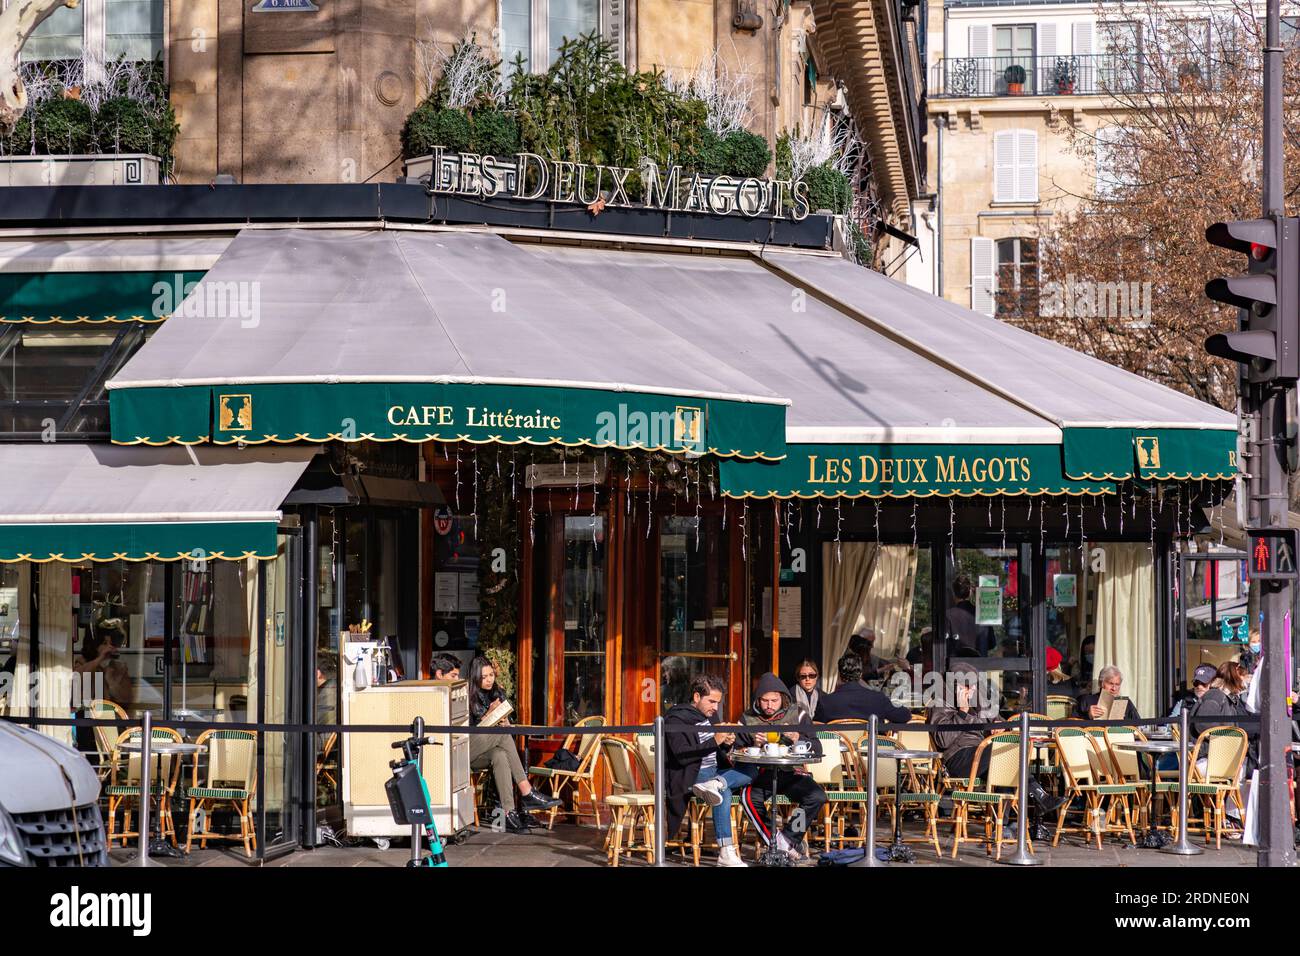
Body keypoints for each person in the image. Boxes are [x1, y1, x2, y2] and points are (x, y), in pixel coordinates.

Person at [439, 654, 560, 834]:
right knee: (501, 735)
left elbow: (507, 728)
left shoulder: (497, 693)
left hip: (484, 752)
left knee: (500, 755)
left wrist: (507, 724)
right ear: (475, 677)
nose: (488, 680)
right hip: (464, 748)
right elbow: (470, 729)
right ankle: (526, 791)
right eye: (484, 677)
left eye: (491, 675)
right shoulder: (466, 694)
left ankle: (509, 814)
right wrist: (490, 713)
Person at [928, 670, 1065, 812]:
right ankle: (1040, 797)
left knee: (1005, 766)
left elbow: (1001, 722)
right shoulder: (940, 705)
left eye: (975, 686)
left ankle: (1004, 825)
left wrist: (1000, 727)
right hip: (958, 759)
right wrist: (962, 712)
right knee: (1003, 754)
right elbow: (943, 740)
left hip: (981, 756)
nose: (973, 690)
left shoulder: (980, 704)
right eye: (969, 687)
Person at [663, 674, 755, 867]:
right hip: (691, 773)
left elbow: (714, 751)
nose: (715, 707)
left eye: (718, 703)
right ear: (696, 697)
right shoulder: (676, 718)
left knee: (752, 769)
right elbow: (681, 754)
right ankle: (726, 852)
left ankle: (716, 783)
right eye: (711, 701)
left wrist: (726, 744)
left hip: (713, 773)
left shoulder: (709, 717)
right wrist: (716, 740)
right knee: (723, 791)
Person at [735, 673, 827, 862]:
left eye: (774, 700)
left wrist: (797, 738)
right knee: (748, 798)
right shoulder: (747, 719)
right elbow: (734, 752)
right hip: (761, 775)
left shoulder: (799, 714)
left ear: (783, 698)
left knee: (817, 796)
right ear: (757, 700)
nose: (769, 705)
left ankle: (788, 837)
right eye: (764, 701)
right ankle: (775, 840)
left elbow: (817, 748)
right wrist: (754, 744)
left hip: (792, 772)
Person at [814, 653, 912, 725]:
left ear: (839, 674)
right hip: (870, 750)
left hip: (839, 751)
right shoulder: (877, 699)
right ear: (860, 674)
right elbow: (905, 715)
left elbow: (816, 727)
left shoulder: (826, 702)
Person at [1074, 665, 1141, 721]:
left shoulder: (1126, 703)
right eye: (1111, 683)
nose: (1114, 688)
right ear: (1100, 683)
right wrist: (1088, 715)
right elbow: (1072, 725)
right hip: (1094, 736)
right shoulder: (1086, 700)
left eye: (1117, 684)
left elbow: (1139, 725)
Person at [945, 576, 992, 655]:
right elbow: (991, 642)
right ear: (970, 593)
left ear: (954, 594)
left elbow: (945, 645)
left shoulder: (948, 615)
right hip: (980, 664)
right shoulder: (981, 613)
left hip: (956, 664)